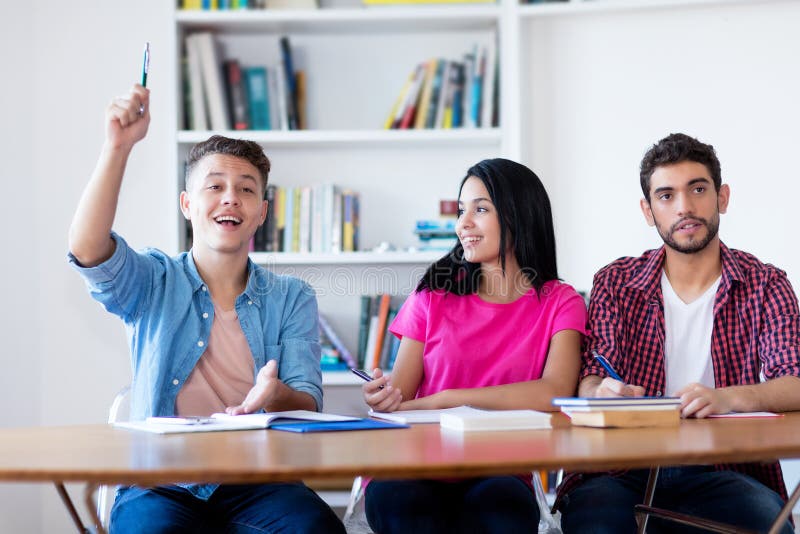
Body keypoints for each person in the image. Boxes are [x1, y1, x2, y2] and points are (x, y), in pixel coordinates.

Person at [68, 84, 345, 533]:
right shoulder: (153, 281)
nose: (230, 197)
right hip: (159, 482)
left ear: (260, 213)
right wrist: (117, 147)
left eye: (246, 190)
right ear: (188, 204)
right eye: (214, 186)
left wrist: (276, 397)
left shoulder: (293, 296)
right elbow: (87, 249)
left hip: (262, 481)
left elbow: (307, 399)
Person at [557, 133, 800, 534]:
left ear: (722, 197)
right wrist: (597, 390)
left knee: (769, 524)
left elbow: (795, 381)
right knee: (596, 522)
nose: (684, 207)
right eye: (666, 196)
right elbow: (589, 381)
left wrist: (726, 398)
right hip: (619, 467)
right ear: (648, 210)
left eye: (698, 189)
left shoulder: (765, 284)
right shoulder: (616, 282)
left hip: (722, 467)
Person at [361, 158, 587, 534]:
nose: (463, 224)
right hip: (415, 463)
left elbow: (554, 392)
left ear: (519, 215)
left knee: (501, 513)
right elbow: (399, 397)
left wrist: (446, 398)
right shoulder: (432, 296)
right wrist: (381, 396)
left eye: (480, 209)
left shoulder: (560, 301)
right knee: (403, 509)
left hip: (502, 469)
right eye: (462, 210)